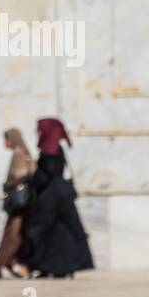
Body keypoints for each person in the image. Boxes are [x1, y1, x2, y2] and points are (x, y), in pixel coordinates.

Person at [23, 117, 94, 278]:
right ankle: (58, 267)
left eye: (39, 129)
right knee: (60, 232)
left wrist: (32, 180)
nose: (37, 132)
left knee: (41, 230)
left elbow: (45, 174)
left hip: (51, 197)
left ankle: (50, 265)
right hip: (61, 195)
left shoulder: (49, 150)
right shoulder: (56, 149)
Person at [0, 127, 35, 279]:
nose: (5, 143)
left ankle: (1, 265)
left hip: (19, 203)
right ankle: (5, 264)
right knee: (13, 233)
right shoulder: (25, 154)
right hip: (23, 202)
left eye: (6, 139)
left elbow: (21, 176)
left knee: (12, 234)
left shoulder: (18, 154)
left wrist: (7, 184)